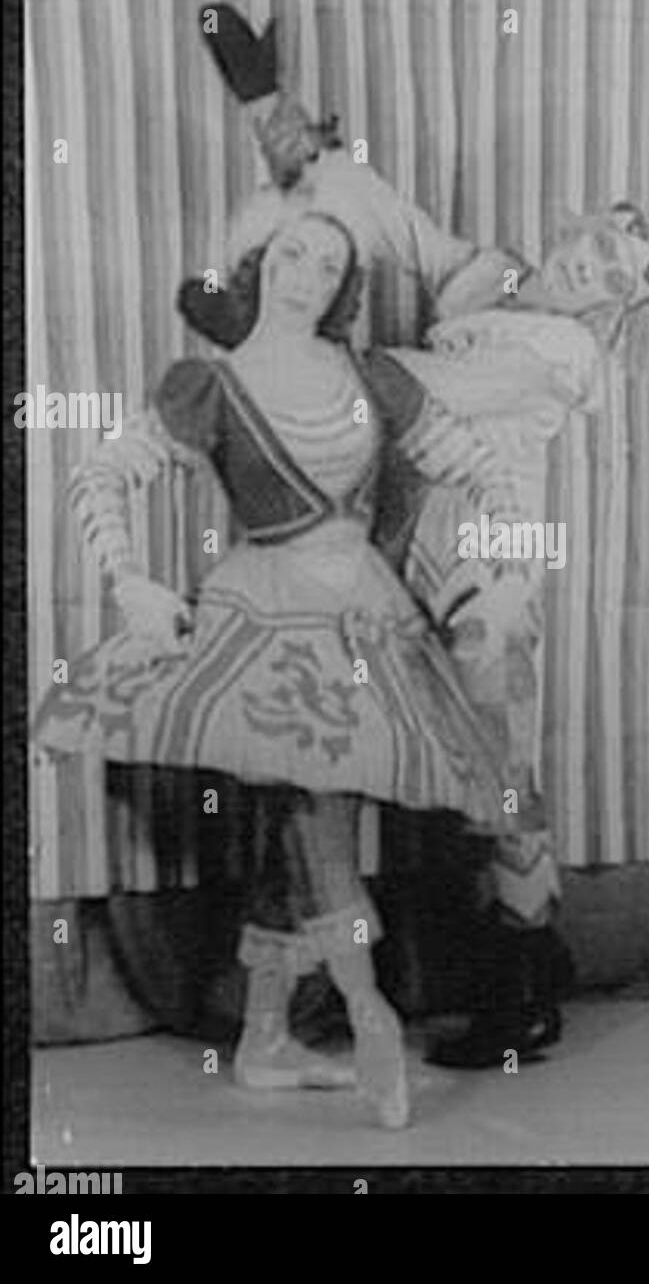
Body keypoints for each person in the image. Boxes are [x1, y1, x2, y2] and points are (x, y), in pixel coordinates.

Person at [182, 3, 649, 1068]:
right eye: (599, 243)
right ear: (576, 227)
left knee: (493, 776)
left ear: (620, 313)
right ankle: (306, 997)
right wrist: (276, 117)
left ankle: (523, 979)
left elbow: (420, 387)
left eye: (616, 275)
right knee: (325, 746)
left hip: (480, 574)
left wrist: (276, 347)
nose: (591, 268)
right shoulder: (501, 279)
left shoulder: (563, 355)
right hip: (395, 550)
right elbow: (390, 213)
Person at [34, 207, 536, 1128]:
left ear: (345, 287)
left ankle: (268, 1036)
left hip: (367, 619)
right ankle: (365, 1004)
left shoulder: (371, 379)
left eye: (330, 262)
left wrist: (505, 573)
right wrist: (127, 584)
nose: (306, 273)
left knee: (297, 813)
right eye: (294, 253)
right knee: (314, 804)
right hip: (259, 617)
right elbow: (98, 475)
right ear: (261, 265)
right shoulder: (211, 387)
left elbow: (489, 468)